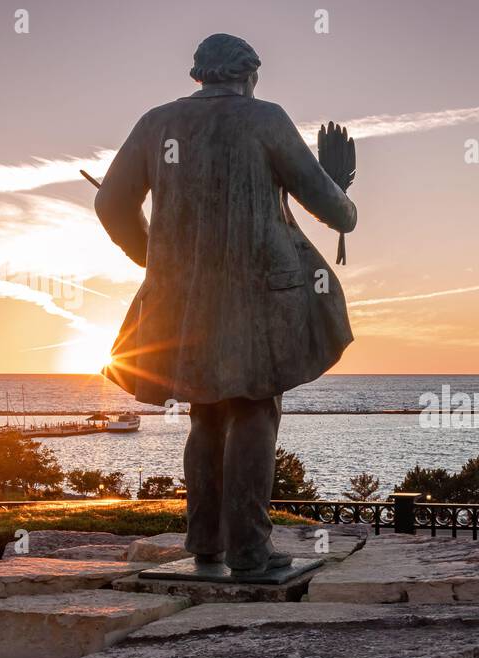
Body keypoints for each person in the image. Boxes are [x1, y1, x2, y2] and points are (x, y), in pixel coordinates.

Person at [95, 33, 356, 574]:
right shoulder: (264, 118)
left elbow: (110, 201)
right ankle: (250, 552)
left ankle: (206, 542)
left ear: (200, 74)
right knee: (255, 408)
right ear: (249, 74)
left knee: (205, 413)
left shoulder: (156, 123)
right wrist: (342, 189)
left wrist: (154, 259)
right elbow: (334, 208)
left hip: (186, 300)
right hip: (261, 294)